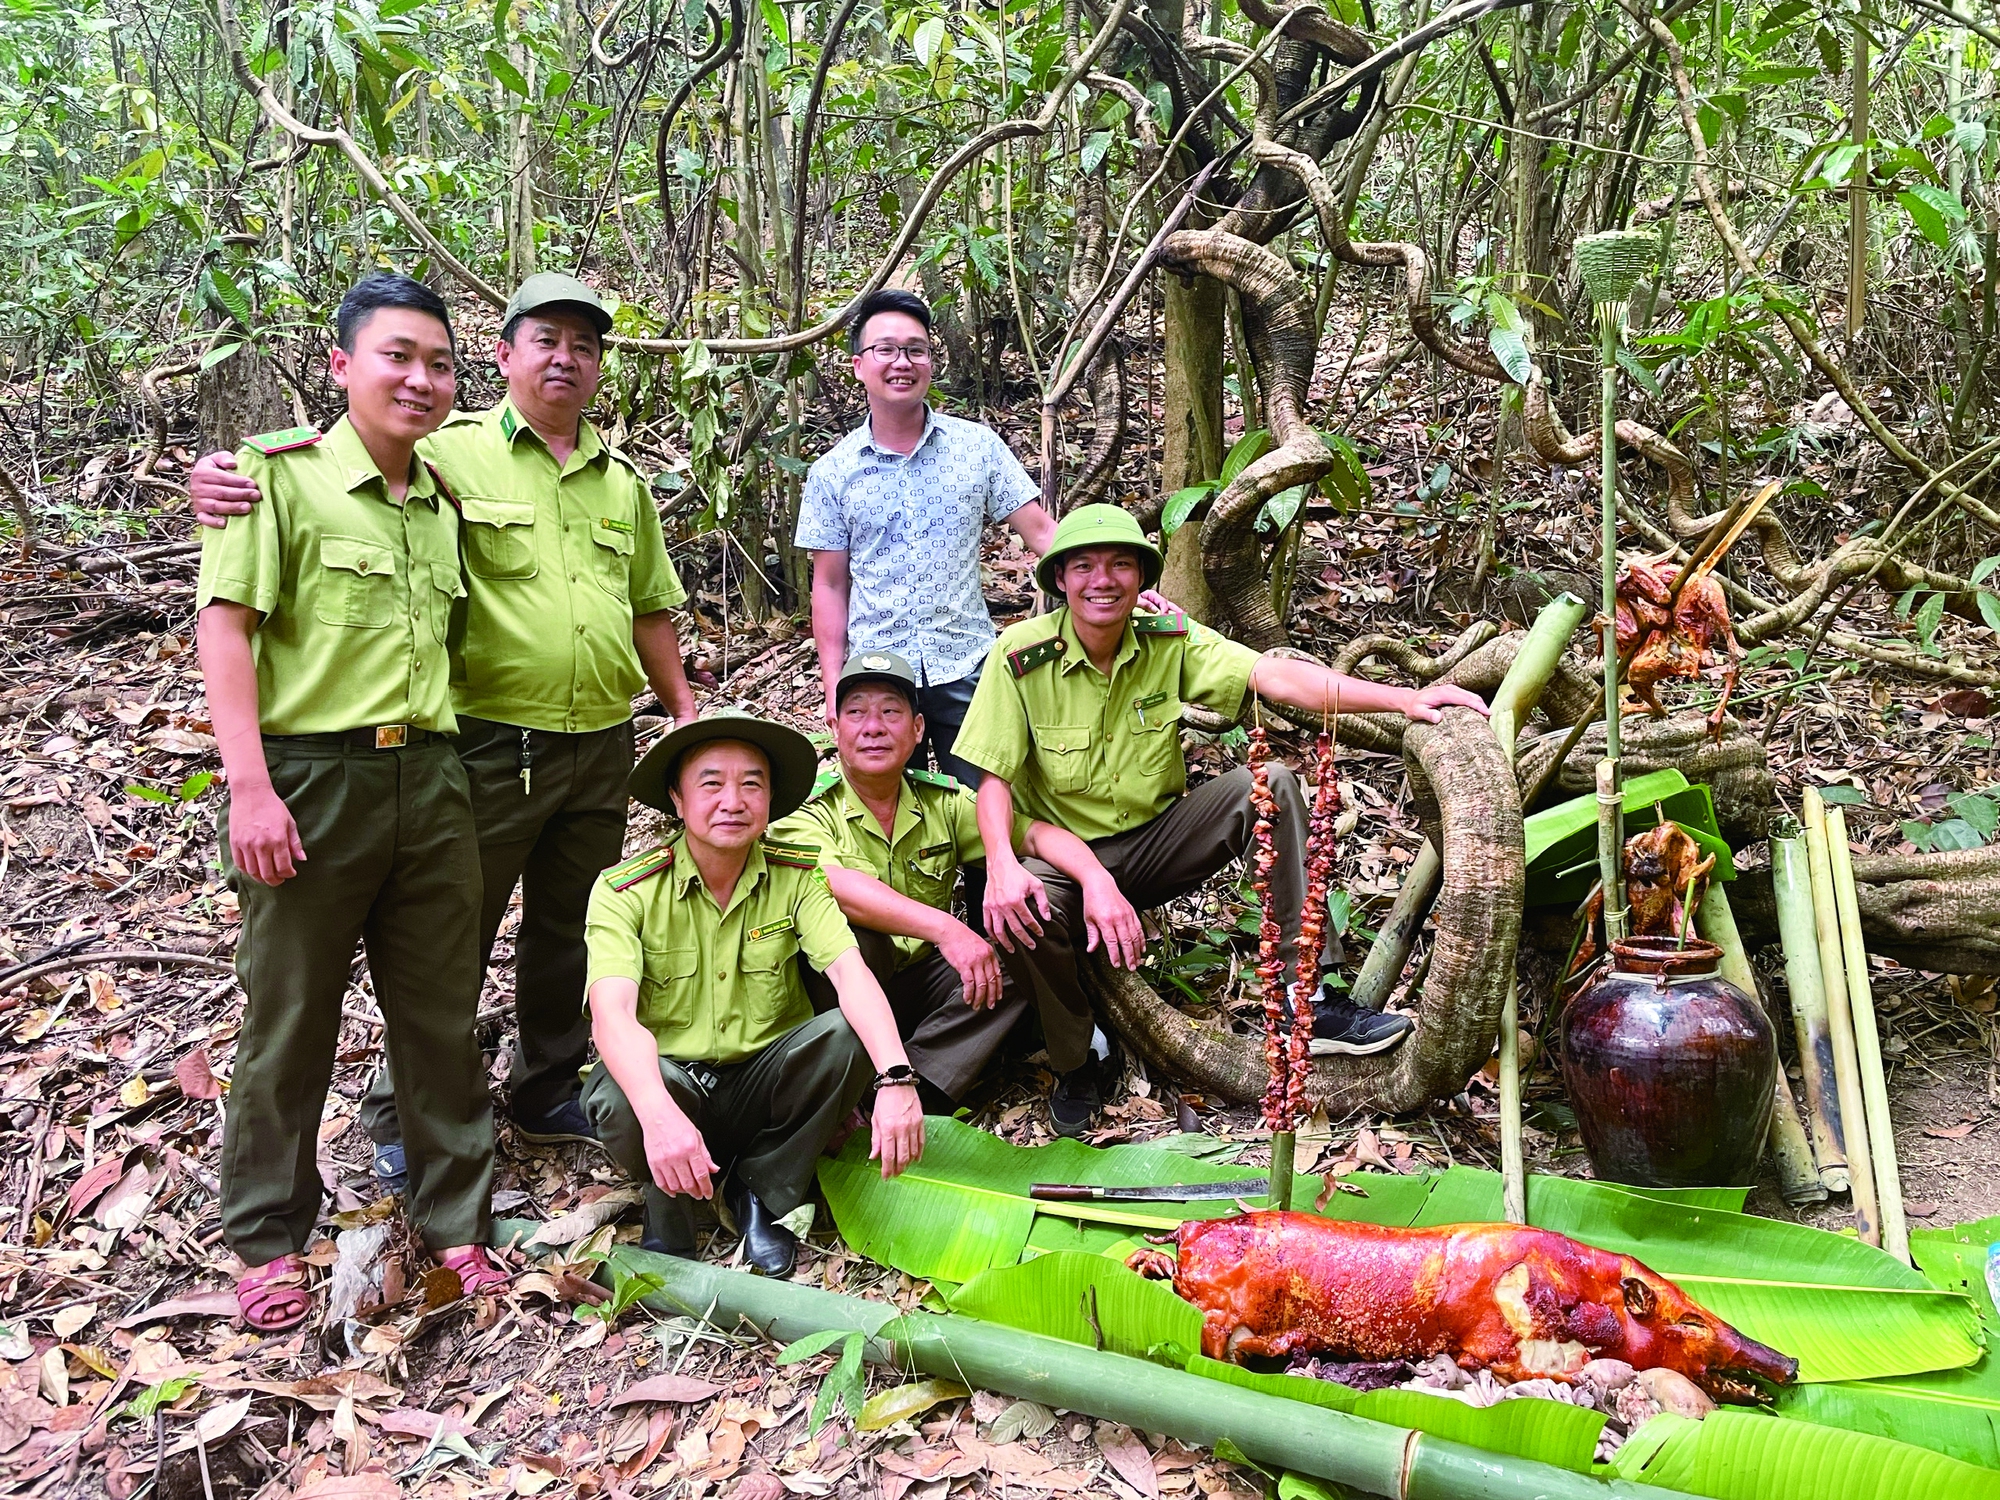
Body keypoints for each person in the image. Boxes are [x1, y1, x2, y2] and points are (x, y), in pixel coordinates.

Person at [187, 274, 701, 1189]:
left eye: (584, 345)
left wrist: (687, 719)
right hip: (489, 745)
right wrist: (221, 475)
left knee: (575, 929)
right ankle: (400, 1110)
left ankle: (547, 1086)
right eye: (544, 339)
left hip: (600, 742)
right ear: (504, 356)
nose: (565, 358)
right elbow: (346, 476)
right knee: (446, 940)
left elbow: (651, 606)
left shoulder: (621, 483)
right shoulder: (449, 455)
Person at [952, 505, 1491, 1135]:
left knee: (1270, 785)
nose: (1103, 580)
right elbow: (991, 778)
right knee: (1025, 898)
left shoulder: (1166, 637)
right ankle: (1081, 1057)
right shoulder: (1020, 656)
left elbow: (1276, 677)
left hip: (1156, 843)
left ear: (1141, 576)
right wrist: (997, 865)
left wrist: (1405, 699)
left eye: (1120, 564)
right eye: (1084, 566)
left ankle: (1304, 998)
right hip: (1063, 859)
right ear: (1061, 580)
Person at [194, 274, 508, 1331]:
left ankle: (458, 1220)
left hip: (430, 776)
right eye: (396, 357)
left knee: (437, 1016)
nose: (420, 380)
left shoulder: (440, 497)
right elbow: (226, 627)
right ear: (342, 367)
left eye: (439, 363)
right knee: (290, 1017)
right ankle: (267, 1238)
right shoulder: (275, 480)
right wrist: (250, 788)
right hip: (310, 778)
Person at [581, 711, 926, 1276]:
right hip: (672, 1086)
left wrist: (896, 1079)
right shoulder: (626, 891)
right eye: (711, 783)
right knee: (625, 1092)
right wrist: (658, 1114)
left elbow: (850, 974)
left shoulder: (796, 875)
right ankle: (672, 1213)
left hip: (764, 1085)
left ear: (769, 800)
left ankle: (760, 1189)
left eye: (751, 784)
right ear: (677, 799)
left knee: (849, 1033)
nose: (732, 801)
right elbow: (611, 1015)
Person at [771, 650, 1143, 1121]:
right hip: (843, 994)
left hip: (922, 986)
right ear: (835, 727)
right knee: (856, 940)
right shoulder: (805, 808)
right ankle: (854, 1081)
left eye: (890, 711)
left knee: (1016, 941)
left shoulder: (941, 801)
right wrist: (950, 930)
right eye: (857, 712)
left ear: (919, 728)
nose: (873, 726)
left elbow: (1033, 834)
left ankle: (922, 1086)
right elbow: (834, 885)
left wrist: (1096, 879)